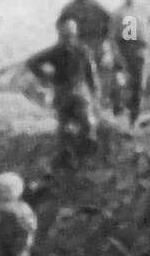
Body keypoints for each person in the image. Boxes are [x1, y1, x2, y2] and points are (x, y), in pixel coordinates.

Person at [26, 18, 100, 171]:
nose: (69, 37)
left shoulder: (83, 51)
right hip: (63, 93)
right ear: (60, 33)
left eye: (71, 33)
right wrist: (47, 76)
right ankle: (66, 161)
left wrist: (95, 94)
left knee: (88, 126)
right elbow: (32, 62)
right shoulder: (55, 51)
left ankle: (86, 158)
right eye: (65, 34)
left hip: (80, 94)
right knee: (64, 129)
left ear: (76, 33)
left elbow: (91, 75)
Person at [106, 0, 150, 127]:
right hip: (123, 49)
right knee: (118, 82)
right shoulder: (118, 13)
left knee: (139, 85)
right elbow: (111, 36)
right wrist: (115, 53)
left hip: (140, 50)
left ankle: (134, 119)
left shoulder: (146, 10)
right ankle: (118, 112)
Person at [55, 0, 112, 65]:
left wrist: (107, 49)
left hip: (97, 47)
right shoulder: (70, 8)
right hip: (76, 47)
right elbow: (61, 28)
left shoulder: (100, 9)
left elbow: (110, 28)